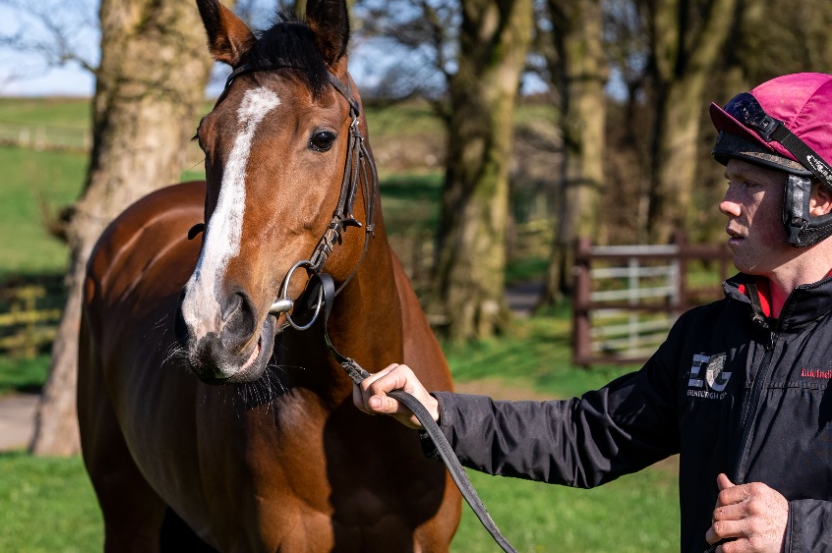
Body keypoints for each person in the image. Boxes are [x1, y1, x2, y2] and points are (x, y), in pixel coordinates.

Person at [354, 72, 832, 553]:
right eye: (730, 181)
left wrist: (797, 532)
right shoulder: (706, 337)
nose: (726, 203)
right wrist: (437, 412)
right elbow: (587, 437)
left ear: (816, 198)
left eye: (749, 184)